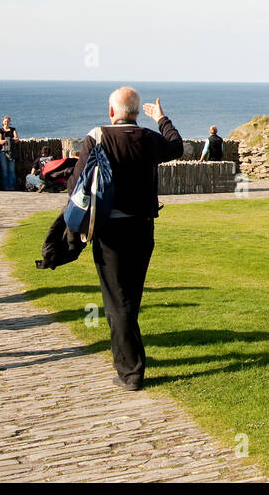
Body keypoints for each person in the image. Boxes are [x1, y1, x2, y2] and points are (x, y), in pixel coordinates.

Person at [65, 87, 183, 391]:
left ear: (112, 112)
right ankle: (131, 363)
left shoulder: (97, 137)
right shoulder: (148, 138)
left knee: (117, 300)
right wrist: (161, 118)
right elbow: (176, 147)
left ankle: (130, 371)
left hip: (110, 229)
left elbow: (76, 184)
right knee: (130, 296)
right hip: (142, 228)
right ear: (135, 112)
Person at [0, 116, 19, 191]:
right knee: (4, 170)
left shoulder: (13, 129)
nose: (6, 122)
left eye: (8, 121)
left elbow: (16, 139)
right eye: (5, 121)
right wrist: (10, 140)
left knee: (12, 170)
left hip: (12, 152)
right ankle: (6, 186)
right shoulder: (0, 130)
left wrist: (6, 140)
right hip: (2, 152)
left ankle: (12, 186)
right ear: (3, 122)